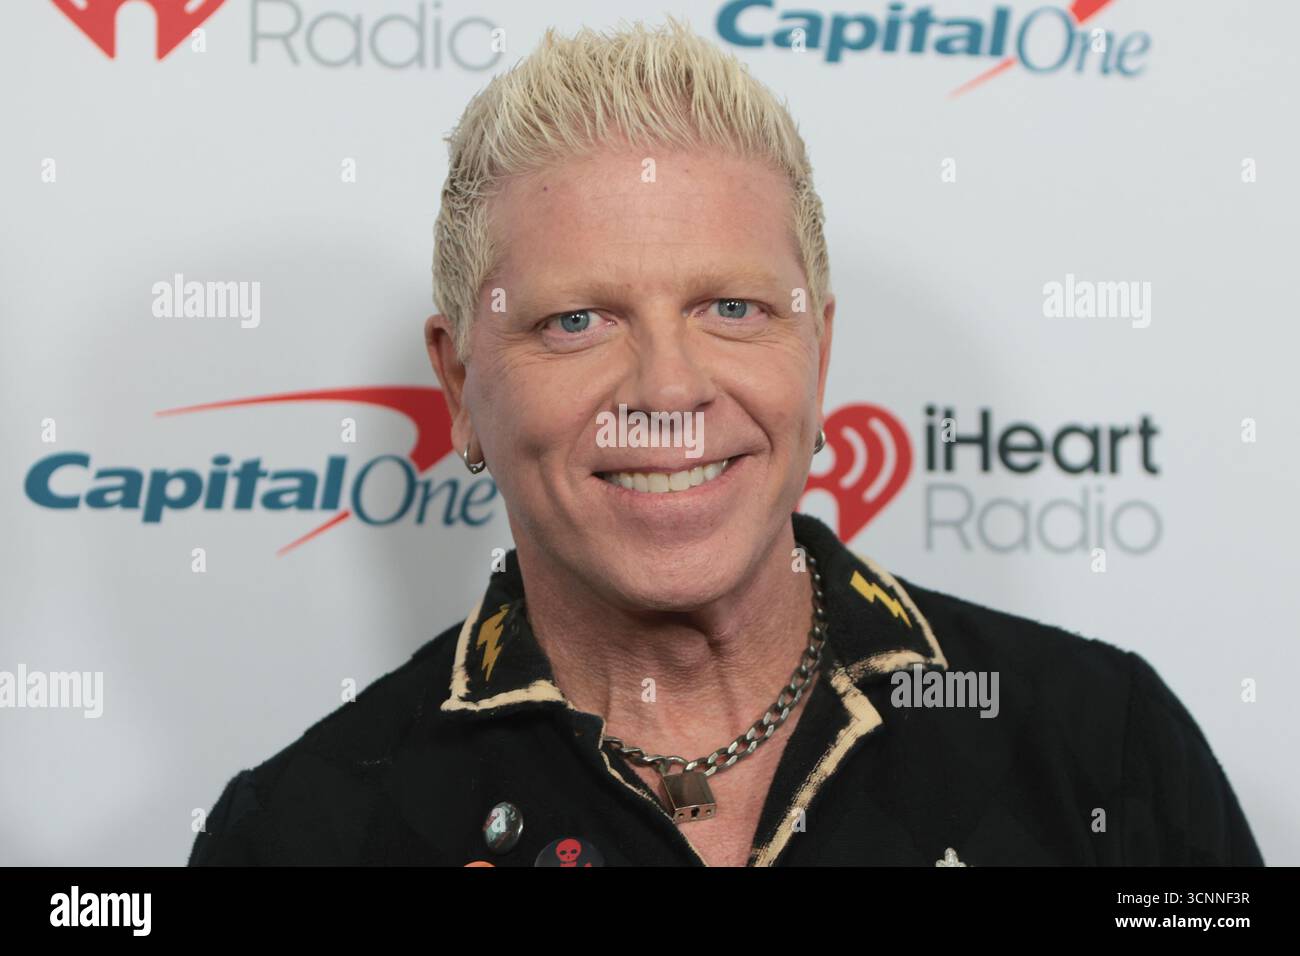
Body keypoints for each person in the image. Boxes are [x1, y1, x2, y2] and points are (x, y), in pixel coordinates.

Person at [189, 19, 1262, 867]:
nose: (667, 388)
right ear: (461, 384)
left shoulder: (1101, 750)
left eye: (733, 308)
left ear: (819, 351)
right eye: (577, 320)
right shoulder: (302, 831)